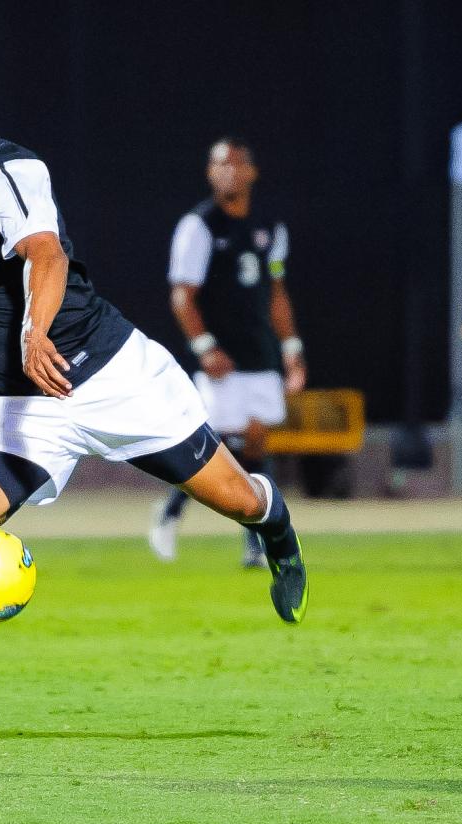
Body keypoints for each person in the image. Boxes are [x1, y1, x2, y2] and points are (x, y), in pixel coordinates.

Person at [0, 68, 309, 746]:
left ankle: (275, 527)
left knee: (235, 498)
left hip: (106, 376)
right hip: (14, 401)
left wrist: (35, 330)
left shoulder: (11, 173)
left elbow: (45, 252)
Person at [148, 138, 307, 567]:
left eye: (235, 165)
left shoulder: (270, 226)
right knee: (213, 448)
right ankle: (170, 512)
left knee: (254, 446)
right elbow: (182, 296)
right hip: (223, 360)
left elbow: (276, 291)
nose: (227, 172)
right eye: (218, 165)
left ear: (252, 172)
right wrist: (204, 347)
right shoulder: (199, 225)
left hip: (260, 356)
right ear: (209, 173)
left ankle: (254, 542)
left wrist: (291, 348)